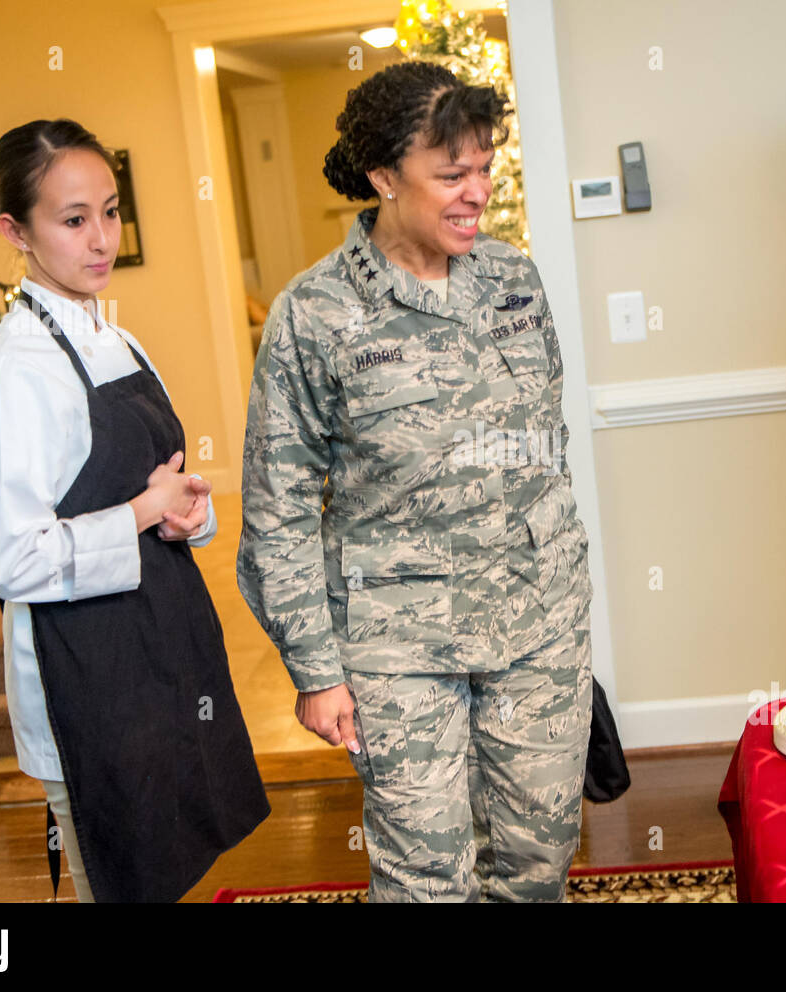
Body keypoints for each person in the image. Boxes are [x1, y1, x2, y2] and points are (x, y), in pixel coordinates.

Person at [237, 61, 594, 902]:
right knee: (426, 879)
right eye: (451, 174)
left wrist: (567, 592)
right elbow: (278, 509)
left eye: (484, 167)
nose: (477, 191)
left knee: (539, 864)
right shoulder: (312, 314)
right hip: (399, 645)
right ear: (383, 178)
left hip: (539, 625)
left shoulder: (514, 279)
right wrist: (317, 669)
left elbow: (548, 448)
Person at [0, 119, 269, 902]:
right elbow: (14, 560)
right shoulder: (11, 375)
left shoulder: (117, 341)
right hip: (89, 684)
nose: (101, 239)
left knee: (176, 867)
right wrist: (138, 512)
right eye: (73, 220)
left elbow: (167, 494)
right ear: (13, 231)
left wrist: (185, 515)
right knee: (123, 882)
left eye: (111, 211)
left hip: (163, 656)